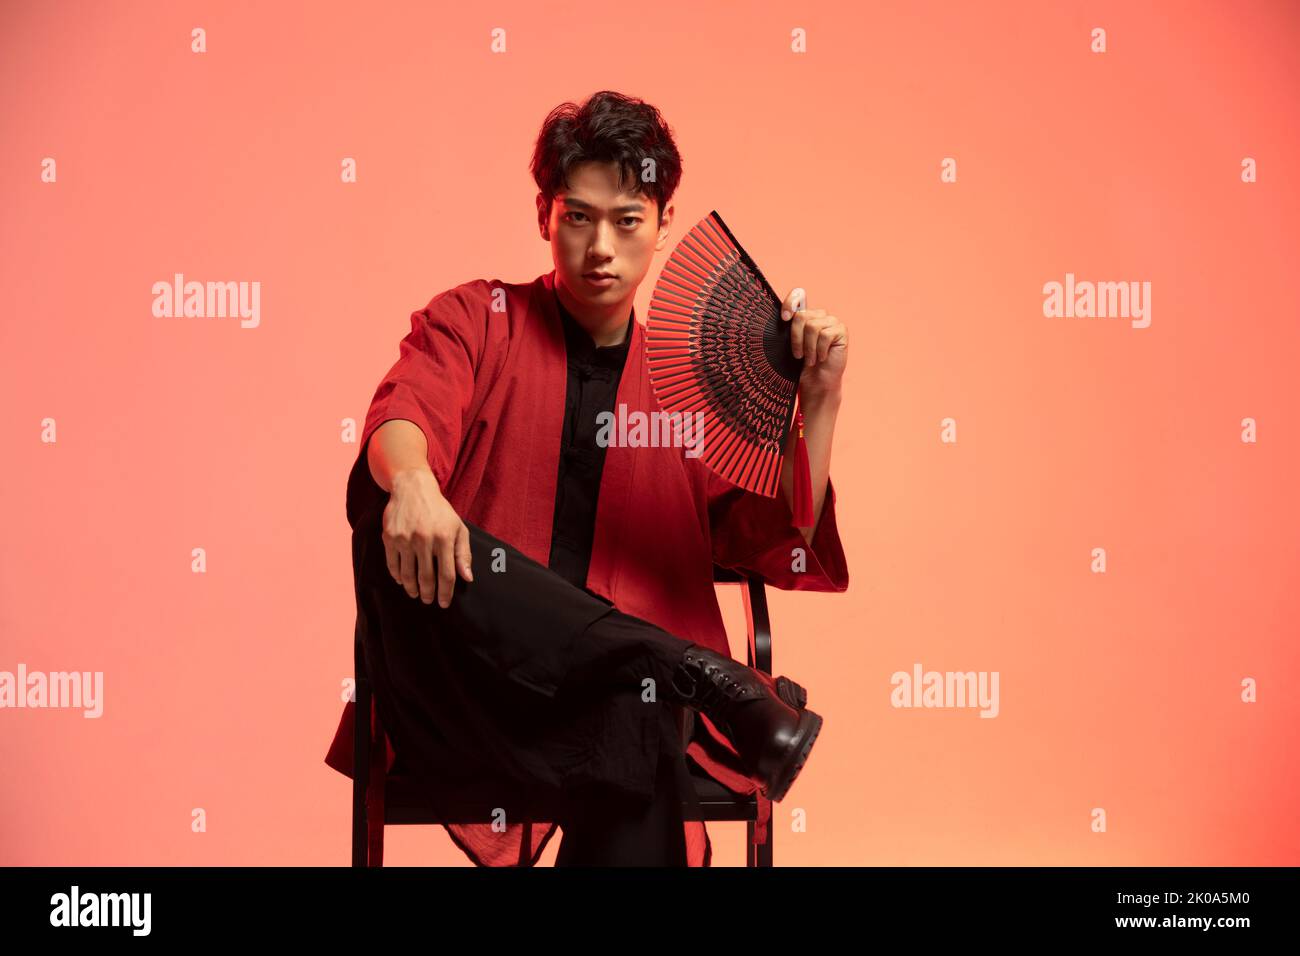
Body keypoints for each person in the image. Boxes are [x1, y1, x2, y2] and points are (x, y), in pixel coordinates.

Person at [324, 90, 851, 866]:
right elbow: (408, 408)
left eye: (627, 221)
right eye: (578, 217)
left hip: (608, 708)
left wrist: (820, 400)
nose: (601, 248)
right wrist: (411, 484)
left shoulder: (690, 391)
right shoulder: (477, 318)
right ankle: (695, 672)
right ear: (545, 214)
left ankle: (669, 671)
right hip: (470, 692)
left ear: (663, 224)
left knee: (635, 719)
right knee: (380, 519)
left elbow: (784, 535)